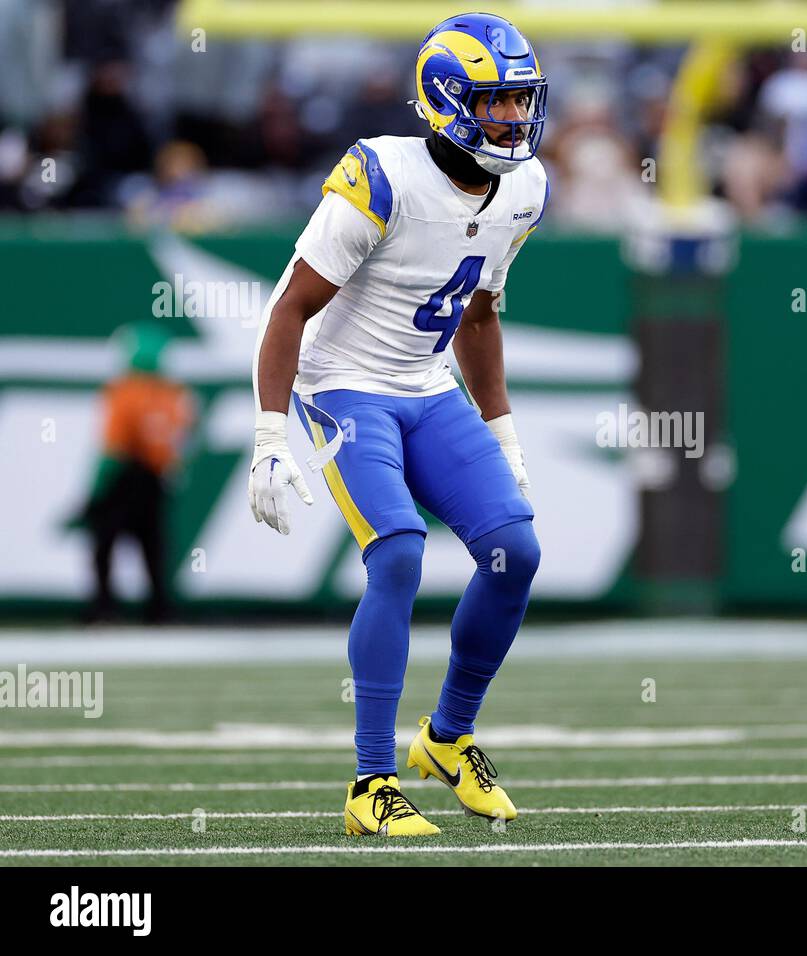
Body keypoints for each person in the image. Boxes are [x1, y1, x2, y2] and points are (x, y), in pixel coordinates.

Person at [248, 13, 547, 837]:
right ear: (449, 102)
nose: (514, 120)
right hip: (343, 385)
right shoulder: (382, 175)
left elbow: (479, 317)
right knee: (400, 553)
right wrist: (272, 435)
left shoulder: (524, 188)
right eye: (496, 105)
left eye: (521, 102)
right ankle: (370, 781)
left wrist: (505, 433)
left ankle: (447, 739)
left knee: (514, 551)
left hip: (426, 383)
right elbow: (289, 311)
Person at [78, 322, 192, 623]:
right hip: (156, 480)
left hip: (124, 478)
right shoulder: (174, 396)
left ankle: (104, 606)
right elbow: (180, 440)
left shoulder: (124, 392)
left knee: (105, 543)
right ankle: (159, 609)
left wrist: (96, 491)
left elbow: (113, 448)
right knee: (154, 548)